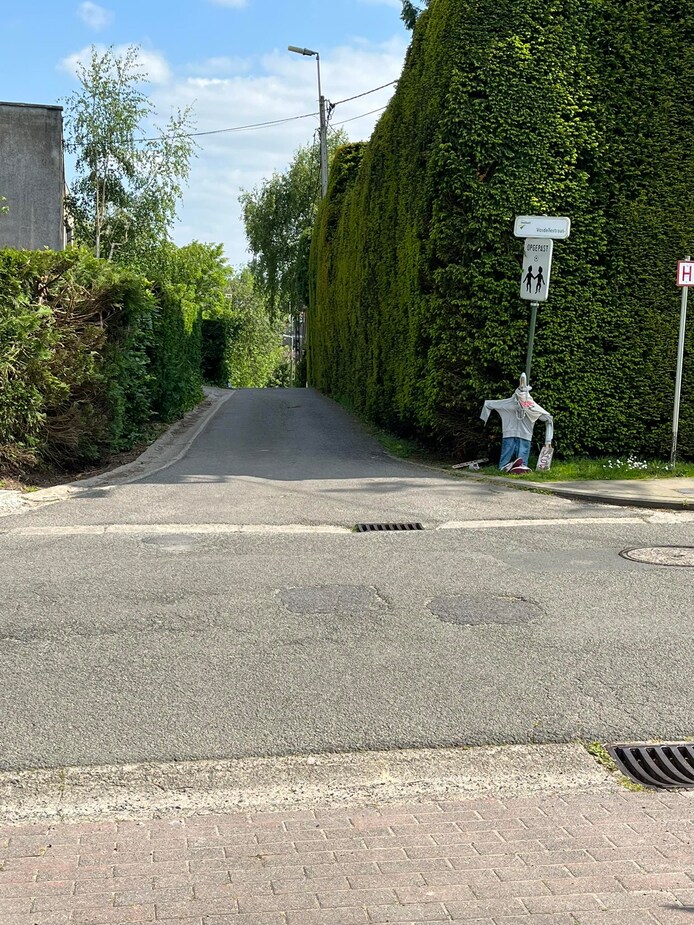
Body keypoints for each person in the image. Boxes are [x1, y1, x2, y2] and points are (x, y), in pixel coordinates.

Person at [480, 374, 553, 471]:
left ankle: (519, 466)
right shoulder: (510, 403)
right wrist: (484, 418)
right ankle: (506, 467)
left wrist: (548, 440)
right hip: (512, 433)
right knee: (509, 452)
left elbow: (548, 418)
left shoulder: (530, 405)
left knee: (518, 452)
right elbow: (489, 404)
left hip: (522, 434)